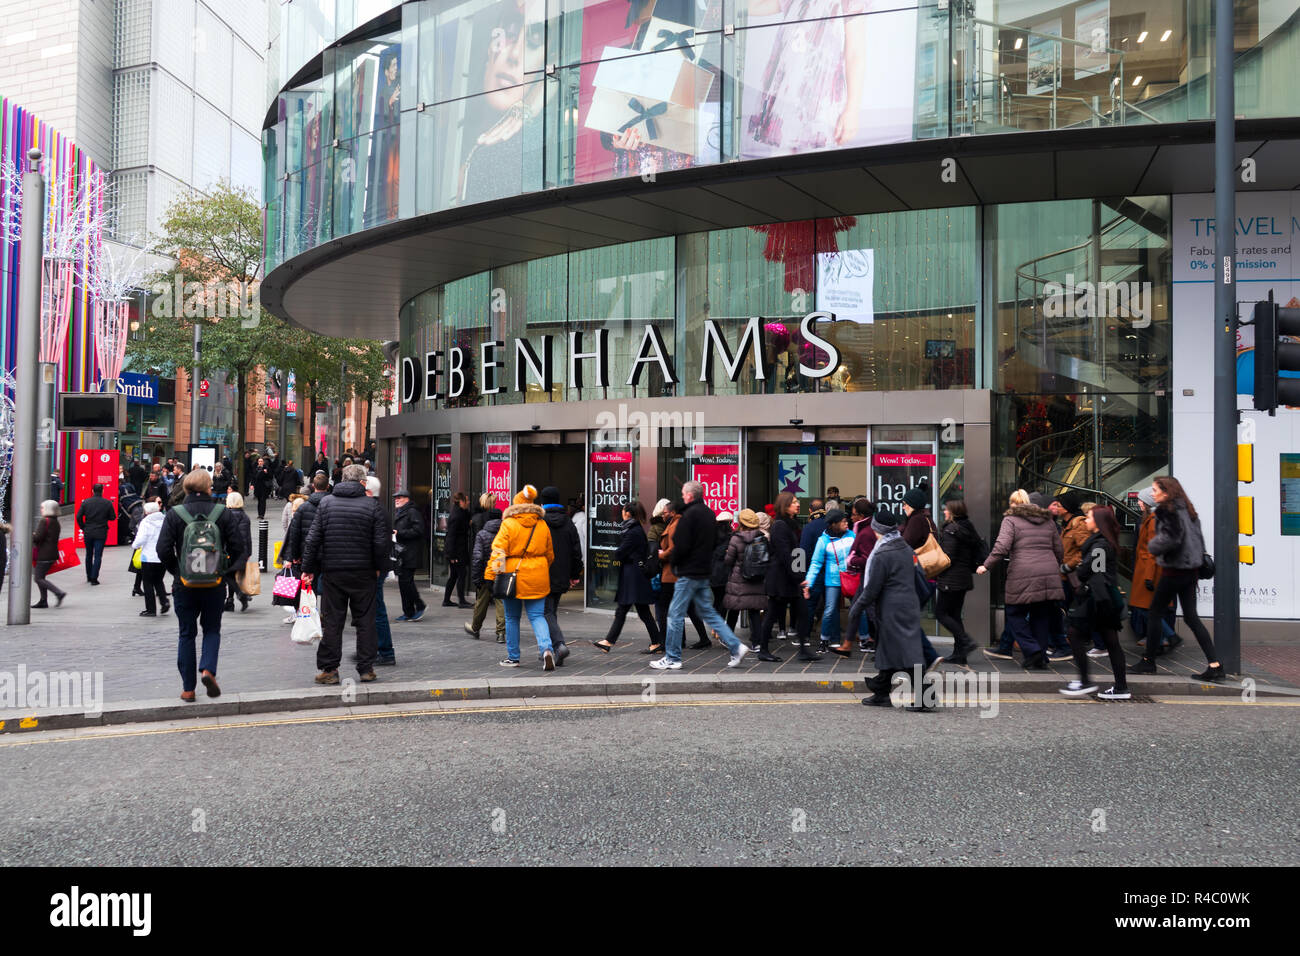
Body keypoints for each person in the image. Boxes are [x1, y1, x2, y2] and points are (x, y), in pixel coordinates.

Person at [156, 468, 249, 701]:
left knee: (186, 634)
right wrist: (226, 572)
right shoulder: (222, 513)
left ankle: (188, 688)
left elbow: (162, 549)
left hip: (185, 584)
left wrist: (177, 571)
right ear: (209, 487)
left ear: (186, 487)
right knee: (211, 629)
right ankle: (208, 669)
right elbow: (240, 549)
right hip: (214, 584)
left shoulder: (175, 514)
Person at [301, 463, 392, 685]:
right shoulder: (373, 507)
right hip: (364, 573)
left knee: (332, 622)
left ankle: (330, 670)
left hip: (334, 573)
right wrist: (380, 568)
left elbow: (313, 540)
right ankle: (366, 668)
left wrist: (308, 569)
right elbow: (382, 543)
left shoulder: (326, 504)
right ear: (362, 483)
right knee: (366, 621)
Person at [652, 481, 749, 670]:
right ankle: (736, 646)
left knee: (675, 614)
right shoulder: (709, 513)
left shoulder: (689, 515)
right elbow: (713, 541)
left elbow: (681, 544)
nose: (682, 497)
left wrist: (668, 558)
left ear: (689, 495)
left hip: (688, 571)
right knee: (709, 613)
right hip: (704, 571)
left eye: (683, 494)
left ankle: (672, 657)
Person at [1138, 477, 1224, 682]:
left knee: (1154, 613)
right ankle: (1215, 665)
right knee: (1191, 618)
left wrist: (1153, 547)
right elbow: (1198, 541)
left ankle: (1149, 662)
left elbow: (1171, 538)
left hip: (1174, 570)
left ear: (1167, 493)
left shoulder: (1166, 512)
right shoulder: (1189, 510)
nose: (1152, 493)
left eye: (1155, 489)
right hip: (1190, 571)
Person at [976, 489, 1064, 670]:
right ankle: (1039, 659)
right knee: (1040, 616)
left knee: (1014, 613)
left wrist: (986, 565)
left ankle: (1033, 651)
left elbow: (1002, 547)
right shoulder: (1048, 521)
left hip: (1023, 573)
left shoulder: (1011, 520)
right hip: (1048, 574)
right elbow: (1059, 550)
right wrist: (1051, 566)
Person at [849, 509, 928, 710]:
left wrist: (856, 608)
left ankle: (926, 695)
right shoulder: (906, 548)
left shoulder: (882, 553)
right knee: (889, 651)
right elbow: (920, 576)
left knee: (907, 656)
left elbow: (872, 589)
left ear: (879, 530)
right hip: (908, 606)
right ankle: (881, 692)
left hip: (892, 610)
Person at [1060, 505, 1130, 700]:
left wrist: (1082, 570)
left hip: (1098, 598)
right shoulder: (1102, 542)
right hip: (1104, 597)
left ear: (1098, 523)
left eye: (1089, 517)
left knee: (1074, 634)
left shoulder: (1100, 546)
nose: (1085, 521)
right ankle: (1121, 688)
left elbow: (1095, 571)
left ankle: (1085, 681)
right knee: (1111, 642)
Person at [484, 485, 557, 670]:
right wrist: (540, 568)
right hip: (538, 576)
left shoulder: (509, 524)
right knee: (537, 616)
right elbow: (550, 554)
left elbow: (499, 552)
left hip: (512, 578)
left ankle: (513, 657)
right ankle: (546, 649)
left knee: (511, 617)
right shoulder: (542, 524)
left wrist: (491, 575)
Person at [592, 501, 661, 653]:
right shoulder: (633, 529)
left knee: (625, 610)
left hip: (634, 577)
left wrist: (621, 554)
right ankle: (657, 642)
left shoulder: (633, 531)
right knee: (640, 612)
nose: (621, 513)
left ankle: (609, 641)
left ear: (628, 513)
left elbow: (620, 553)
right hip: (634, 576)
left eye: (623, 510)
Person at [763, 492, 820, 662]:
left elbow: (796, 552)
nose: (797, 505)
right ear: (785, 505)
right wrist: (799, 577)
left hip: (789, 578)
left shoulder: (790, 524)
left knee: (802, 612)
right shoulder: (780, 526)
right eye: (794, 502)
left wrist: (799, 574)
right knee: (772, 614)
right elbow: (785, 554)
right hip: (781, 579)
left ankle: (803, 649)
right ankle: (763, 649)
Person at [1128, 487, 1178, 656]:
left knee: (1145, 609)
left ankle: (1169, 636)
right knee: (1150, 608)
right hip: (1152, 570)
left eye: (1141, 500)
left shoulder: (1154, 520)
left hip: (1151, 571)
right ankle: (1160, 641)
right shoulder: (1154, 518)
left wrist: (1148, 577)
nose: (1139, 503)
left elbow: (1152, 550)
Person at [656, 500, 711, 653]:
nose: (663, 515)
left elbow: (674, 550)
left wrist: (660, 555)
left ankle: (668, 643)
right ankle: (691, 639)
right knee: (689, 607)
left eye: (665, 513)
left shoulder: (675, 526)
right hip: (679, 572)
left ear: (672, 513)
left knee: (665, 608)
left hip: (672, 573)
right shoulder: (677, 524)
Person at [934, 498, 982, 666]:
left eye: (946, 510)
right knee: (954, 615)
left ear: (953, 512)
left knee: (940, 613)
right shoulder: (966, 527)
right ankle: (959, 654)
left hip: (951, 578)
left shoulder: (951, 530)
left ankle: (966, 641)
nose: (944, 512)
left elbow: (948, 557)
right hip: (962, 578)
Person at [802, 509, 855, 654]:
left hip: (851, 577)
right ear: (834, 524)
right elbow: (816, 563)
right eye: (843, 521)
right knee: (830, 609)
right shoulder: (823, 540)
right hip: (833, 580)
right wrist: (809, 582)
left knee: (858, 609)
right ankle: (824, 640)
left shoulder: (852, 535)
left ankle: (865, 639)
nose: (846, 523)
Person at [539, 486, 582, 666]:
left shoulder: (540, 521)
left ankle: (558, 645)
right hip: (562, 575)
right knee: (551, 611)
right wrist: (574, 574)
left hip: (542, 573)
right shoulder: (568, 521)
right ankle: (553, 650)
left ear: (543, 502)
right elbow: (576, 550)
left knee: (545, 612)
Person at [722, 509, 769, 654]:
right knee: (754, 610)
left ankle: (728, 638)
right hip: (756, 578)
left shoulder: (736, 538)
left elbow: (729, 560)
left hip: (739, 578)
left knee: (734, 608)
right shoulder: (762, 537)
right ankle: (757, 642)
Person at [836, 496, 877, 655]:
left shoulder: (866, 532)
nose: (851, 517)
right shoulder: (864, 528)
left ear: (860, 515)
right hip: (865, 578)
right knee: (855, 609)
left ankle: (882, 645)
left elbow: (868, 559)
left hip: (868, 578)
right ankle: (847, 645)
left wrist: (852, 560)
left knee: (872, 613)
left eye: (853, 514)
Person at [363, 477, 397, 667]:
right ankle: (378, 649)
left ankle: (384, 651)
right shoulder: (378, 509)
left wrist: (376, 567)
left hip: (375, 567)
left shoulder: (375, 510)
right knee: (374, 608)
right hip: (376, 566)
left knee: (377, 609)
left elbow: (379, 542)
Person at [467, 499, 506, 642]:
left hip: (486, 573)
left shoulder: (482, 534)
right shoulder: (506, 533)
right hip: (501, 571)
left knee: (481, 602)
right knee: (500, 602)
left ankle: (475, 628)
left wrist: (476, 578)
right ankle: (501, 633)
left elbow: (478, 557)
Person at [392, 489, 428, 622]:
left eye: (399, 497)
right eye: (395, 497)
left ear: (407, 499)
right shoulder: (400, 512)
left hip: (410, 553)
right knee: (403, 583)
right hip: (402, 553)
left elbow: (418, 531)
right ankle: (408, 612)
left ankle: (419, 605)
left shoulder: (412, 512)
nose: (396, 499)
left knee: (407, 582)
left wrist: (399, 533)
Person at [131, 500, 170, 617]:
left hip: (148, 556)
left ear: (147, 511)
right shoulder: (165, 520)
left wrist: (135, 545)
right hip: (162, 556)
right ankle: (164, 602)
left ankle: (151, 609)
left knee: (147, 583)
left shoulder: (145, 522)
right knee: (158, 580)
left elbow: (141, 539)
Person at [75, 482, 115, 586]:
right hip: (101, 532)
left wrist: (83, 527)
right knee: (98, 555)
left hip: (88, 531)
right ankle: (94, 578)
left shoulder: (86, 502)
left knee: (89, 554)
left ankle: (88, 575)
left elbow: (78, 516)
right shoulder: (107, 503)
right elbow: (113, 517)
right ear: (102, 491)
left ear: (92, 491)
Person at [31, 500, 67, 608]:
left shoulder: (45, 521)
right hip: (51, 553)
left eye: (42, 508)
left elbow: (38, 538)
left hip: (44, 554)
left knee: (38, 578)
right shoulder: (55, 521)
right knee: (41, 577)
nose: (41, 510)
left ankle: (58, 593)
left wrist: (31, 534)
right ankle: (43, 601)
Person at [222, 491, 253, 613]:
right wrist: (248, 553)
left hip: (229, 550)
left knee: (226, 574)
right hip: (242, 552)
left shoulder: (226, 516)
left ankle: (239, 595)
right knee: (232, 575)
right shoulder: (245, 516)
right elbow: (248, 537)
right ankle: (230, 600)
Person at [443, 491, 472, 607]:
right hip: (457, 551)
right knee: (461, 574)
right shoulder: (457, 516)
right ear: (461, 502)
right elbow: (451, 536)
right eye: (466, 500)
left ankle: (446, 600)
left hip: (458, 549)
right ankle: (461, 601)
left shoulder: (461, 512)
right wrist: (452, 555)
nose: (468, 502)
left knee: (455, 575)